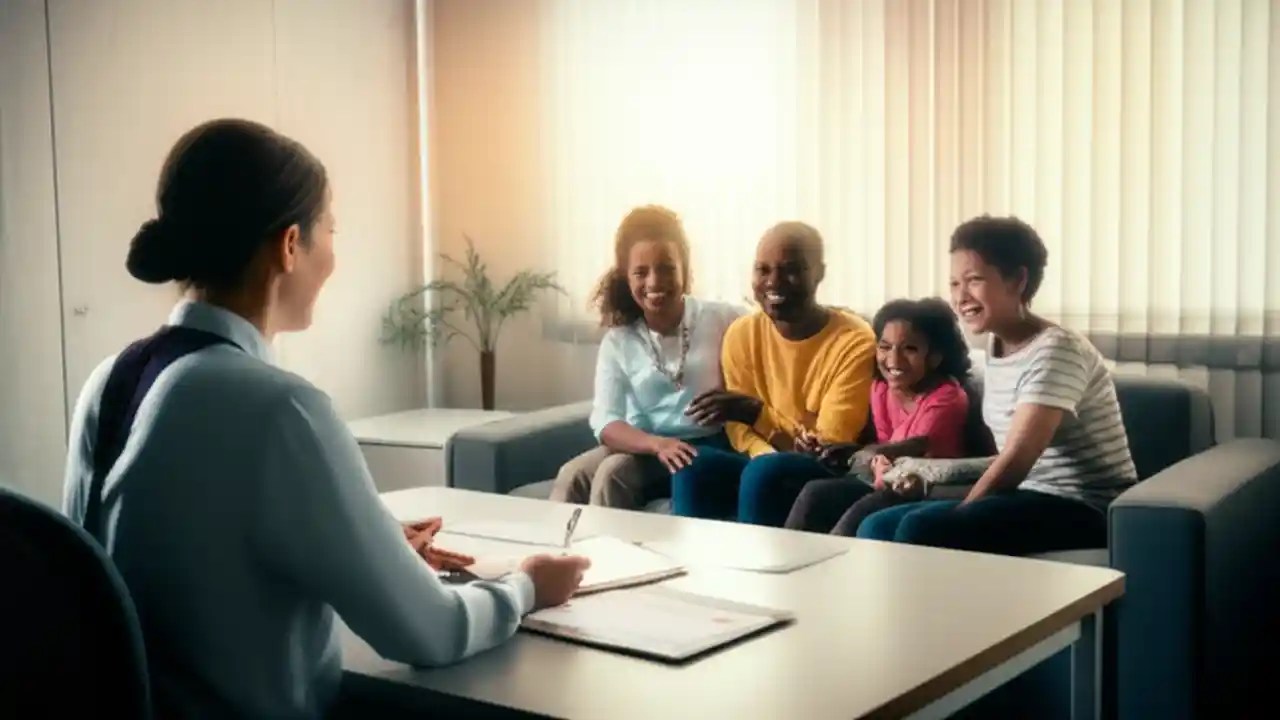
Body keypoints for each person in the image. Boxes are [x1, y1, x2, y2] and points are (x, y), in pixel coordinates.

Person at [60, 118, 589, 720]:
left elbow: (179, 564)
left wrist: (370, 546)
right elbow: (430, 633)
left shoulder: (109, 381)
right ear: (290, 245)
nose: (334, 252)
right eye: (331, 230)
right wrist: (526, 586)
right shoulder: (279, 408)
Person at [856, 215, 1138, 555]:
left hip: (1084, 504)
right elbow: (1002, 461)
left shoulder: (1058, 350)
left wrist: (960, 515)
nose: (961, 297)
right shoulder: (995, 347)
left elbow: (1016, 461)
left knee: (922, 528)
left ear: (1018, 280)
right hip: (1028, 494)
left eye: (973, 280)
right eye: (955, 285)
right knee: (877, 523)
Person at [674, 221, 877, 526]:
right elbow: (737, 429)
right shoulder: (742, 334)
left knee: (764, 472)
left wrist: (756, 414)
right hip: (763, 459)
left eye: (790, 269)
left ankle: (758, 572)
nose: (774, 282)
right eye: (763, 269)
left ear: (819, 273)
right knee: (692, 463)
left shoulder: (854, 340)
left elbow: (827, 444)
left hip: (827, 470)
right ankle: (690, 570)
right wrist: (763, 450)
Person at [550, 206, 743, 509]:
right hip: (649, 445)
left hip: (705, 445)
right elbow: (606, 421)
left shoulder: (721, 317)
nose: (654, 282)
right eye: (641, 272)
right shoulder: (619, 340)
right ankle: (559, 555)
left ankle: (613, 555)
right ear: (627, 278)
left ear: (685, 269)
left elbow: (773, 329)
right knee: (571, 476)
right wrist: (656, 444)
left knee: (614, 474)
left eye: (666, 268)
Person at [784, 297, 974, 535]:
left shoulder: (947, 398)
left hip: (925, 488)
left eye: (910, 349)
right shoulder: (881, 389)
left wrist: (864, 453)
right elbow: (885, 448)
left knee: (862, 512)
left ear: (935, 356)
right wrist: (832, 449)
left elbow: (912, 447)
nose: (893, 360)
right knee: (815, 493)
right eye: (885, 347)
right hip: (886, 481)